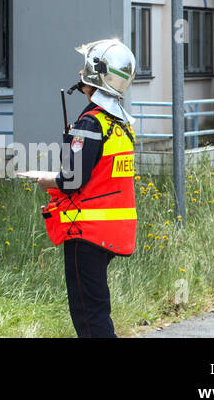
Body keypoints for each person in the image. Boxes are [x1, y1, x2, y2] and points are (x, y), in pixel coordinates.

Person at [17, 39, 138, 338]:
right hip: (110, 232)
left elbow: (73, 181)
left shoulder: (90, 122)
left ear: (94, 77)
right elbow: (95, 175)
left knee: (88, 316)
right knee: (97, 309)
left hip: (85, 232)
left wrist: (47, 180)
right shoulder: (120, 124)